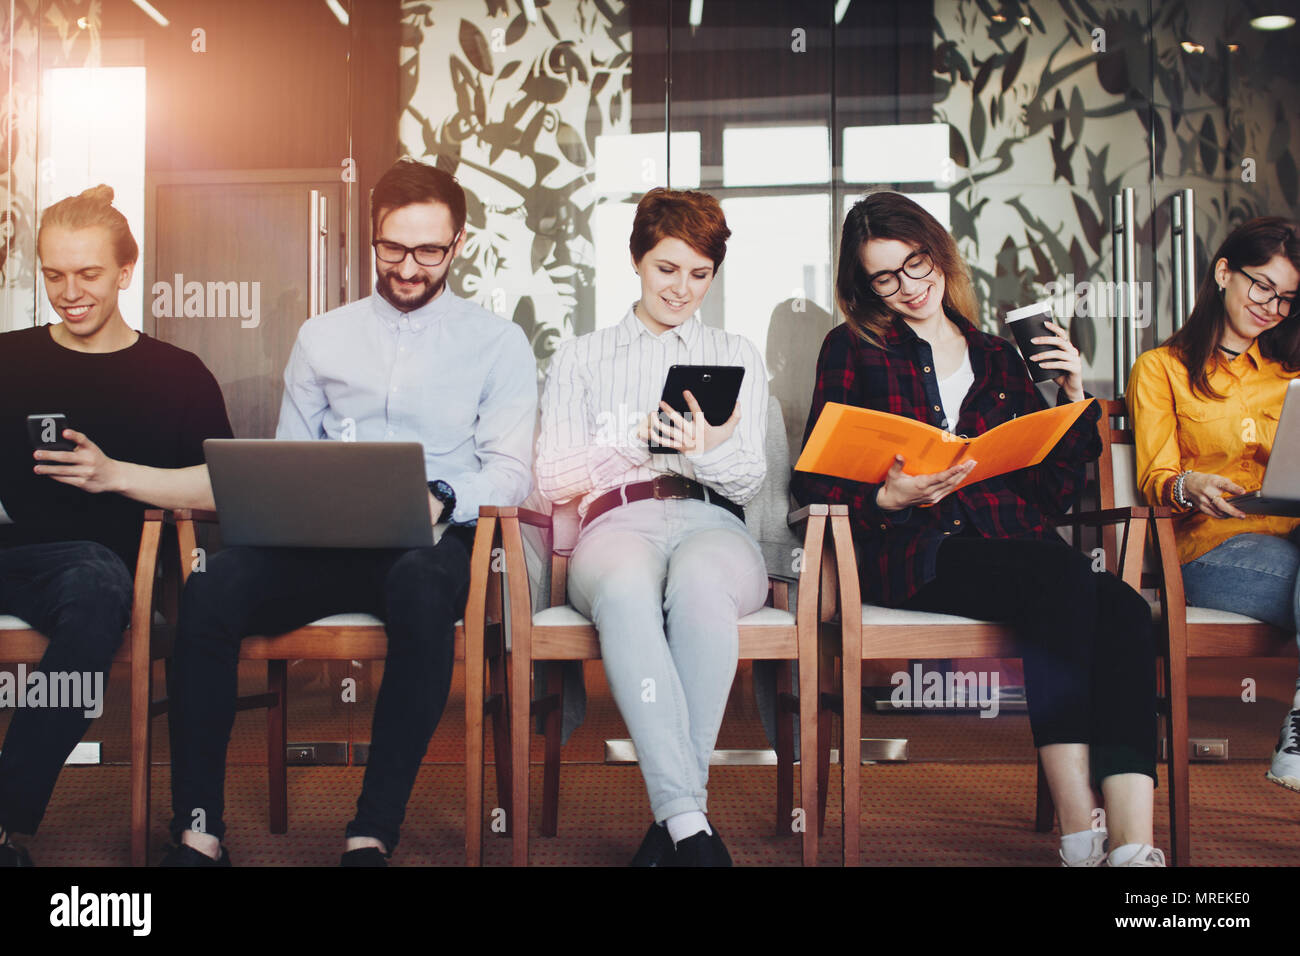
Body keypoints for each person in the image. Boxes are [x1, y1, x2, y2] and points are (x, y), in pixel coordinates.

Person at [162, 159, 537, 867]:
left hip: (427, 548)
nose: (408, 266)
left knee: (422, 588)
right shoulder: (322, 337)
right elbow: (290, 457)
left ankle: (371, 831)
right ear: (371, 237)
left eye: (429, 250)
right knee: (208, 593)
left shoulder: (498, 344)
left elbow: (511, 475)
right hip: (320, 548)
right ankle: (197, 829)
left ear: (458, 245)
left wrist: (441, 494)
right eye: (392, 247)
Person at [791, 191, 1164, 867]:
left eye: (916, 264)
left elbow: (1046, 495)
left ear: (937, 252)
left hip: (1012, 546)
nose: (909, 287)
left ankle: (1135, 843)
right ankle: (1080, 830)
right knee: (1059, 579)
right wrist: (889, 496)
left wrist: (1073, 400)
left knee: (1127, 611)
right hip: (915, 551)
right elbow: (814, 481)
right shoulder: (851, 348)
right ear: (863, 286)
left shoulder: (997, 356)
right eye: (885, 277)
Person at [535, 188, 769, 866]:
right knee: (630, 591)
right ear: (637, 260)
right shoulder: (583, 356)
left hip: (713, 521)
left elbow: (750, 476)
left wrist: (699, 449)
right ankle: (689, 821)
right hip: (616, 522)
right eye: (668, 269)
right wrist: (639, 444)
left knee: (701, 585)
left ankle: (677, 820)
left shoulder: (737, 352)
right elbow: (553, 478)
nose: (682, 289)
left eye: (700, 274)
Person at [0, 185, 233, 867]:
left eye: (88, 273)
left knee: (98, 580)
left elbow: (224, 490)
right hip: (10, 557)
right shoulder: (7, 359)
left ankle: (6, 819)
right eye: (53, 275)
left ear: (127, 271)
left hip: (99, 578)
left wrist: (116, 475)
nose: (69, 292)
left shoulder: (178, 375)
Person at [1129, 216, 1300, 794]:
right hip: (1212, 549)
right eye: (1262, 287)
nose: (1271, 307)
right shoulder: (1162, 368)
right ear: (1224, 272)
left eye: (1285, 299)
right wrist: (1190, 485)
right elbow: (1157, 478)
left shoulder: (1290, 376)